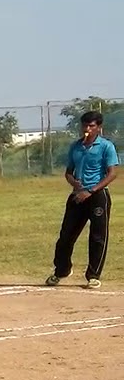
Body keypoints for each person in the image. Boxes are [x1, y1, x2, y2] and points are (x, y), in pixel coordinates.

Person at [47, 110, 119, 289]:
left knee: (97, 237)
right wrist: (75, 183)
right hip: (77, 195)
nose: (87, 129)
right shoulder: (76, 147)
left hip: (97, 195)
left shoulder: (106, 146)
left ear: (99, 128)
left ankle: (93, 275)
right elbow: (68, 172)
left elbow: (112, 174)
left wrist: (92, 190)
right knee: (65, 236)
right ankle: (62, 270)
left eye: (92, 126)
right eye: (85, 125)